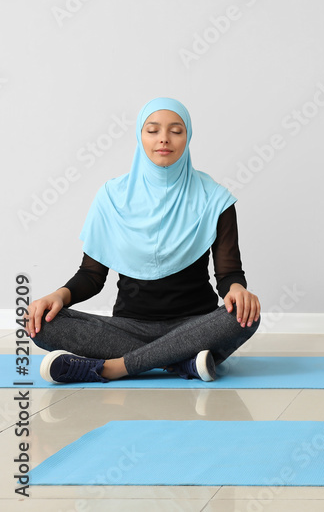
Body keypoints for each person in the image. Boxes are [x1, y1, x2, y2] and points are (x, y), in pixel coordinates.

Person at [28, 97, 260, 383]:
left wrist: (237, 290)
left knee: (245, 314)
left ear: (188, 137)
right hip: (128, 327)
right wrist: (57, 296)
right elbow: (91, 275)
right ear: (140, 136)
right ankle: (182, 362)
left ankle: (114, 367)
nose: (164, 139)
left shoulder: (215, 198)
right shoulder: (111, 196)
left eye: (176, 131)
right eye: (153, 130)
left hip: (195, 325)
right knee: (42, 325)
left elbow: (228, 274)